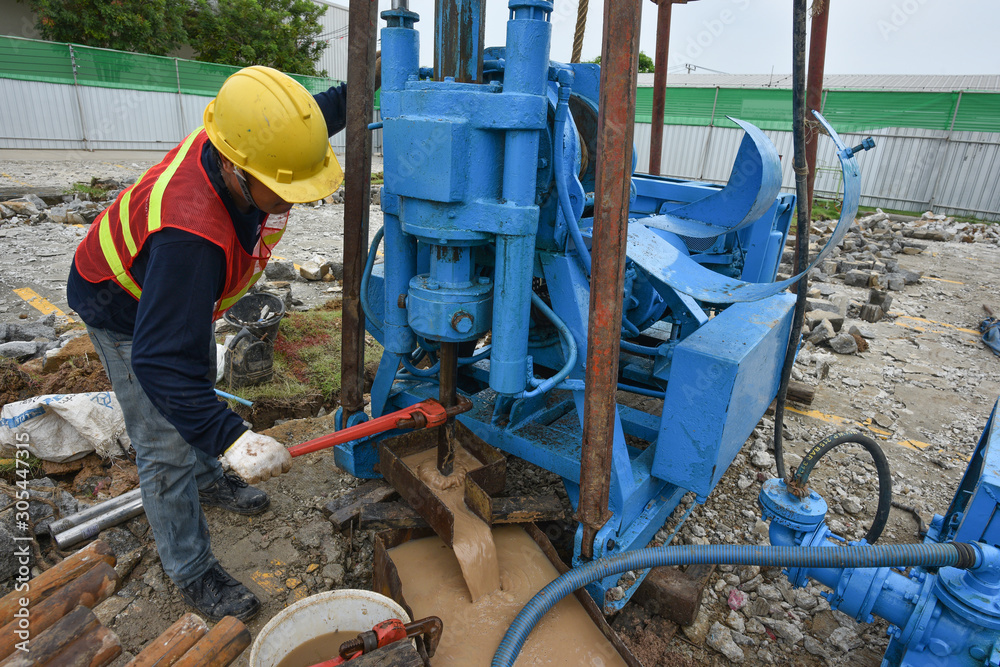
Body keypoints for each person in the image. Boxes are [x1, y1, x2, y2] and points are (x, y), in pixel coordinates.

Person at [67, 66, 347, 621]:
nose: (295, 200)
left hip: (170, 295)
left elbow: (296, 130)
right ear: (235, 167)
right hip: (121, 306)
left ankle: (207, 478)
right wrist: (232, 438)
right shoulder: (192, 236)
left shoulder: (244, 138)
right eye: (283, 189)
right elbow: (158, 359)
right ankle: (192, 570)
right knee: (163, 440)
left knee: (195, 377)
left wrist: (362, 85)